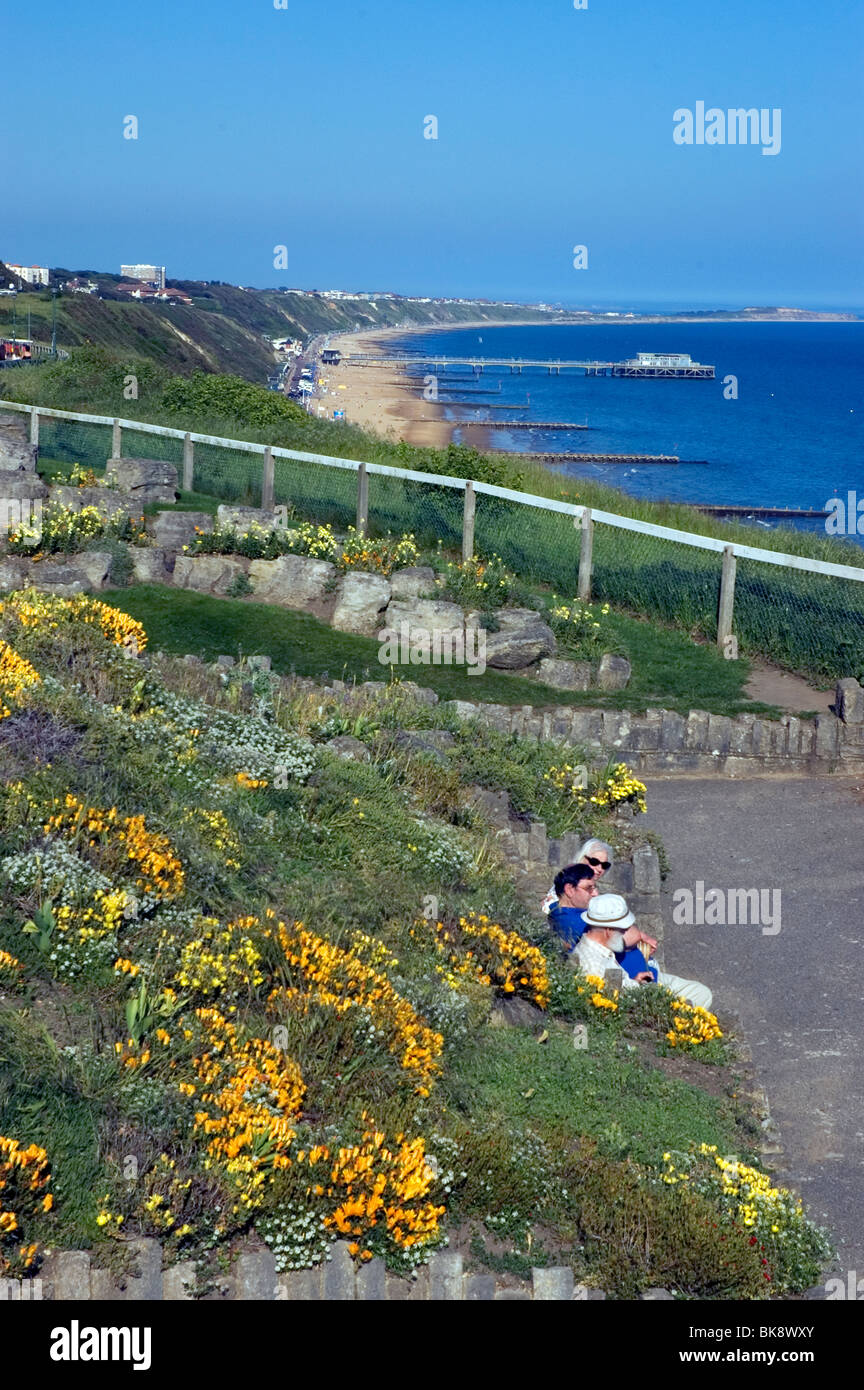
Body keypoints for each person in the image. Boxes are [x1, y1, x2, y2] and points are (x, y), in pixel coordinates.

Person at [573, 894, 713, 1009]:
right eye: (623, 930)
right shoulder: (592, 965)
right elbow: (616, 1002)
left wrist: (636, 981)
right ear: (609, 931)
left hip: (639, 986)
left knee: (701, 993)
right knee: (700, 997)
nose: (625, 933)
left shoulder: (598, 948)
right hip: (639, 1003)